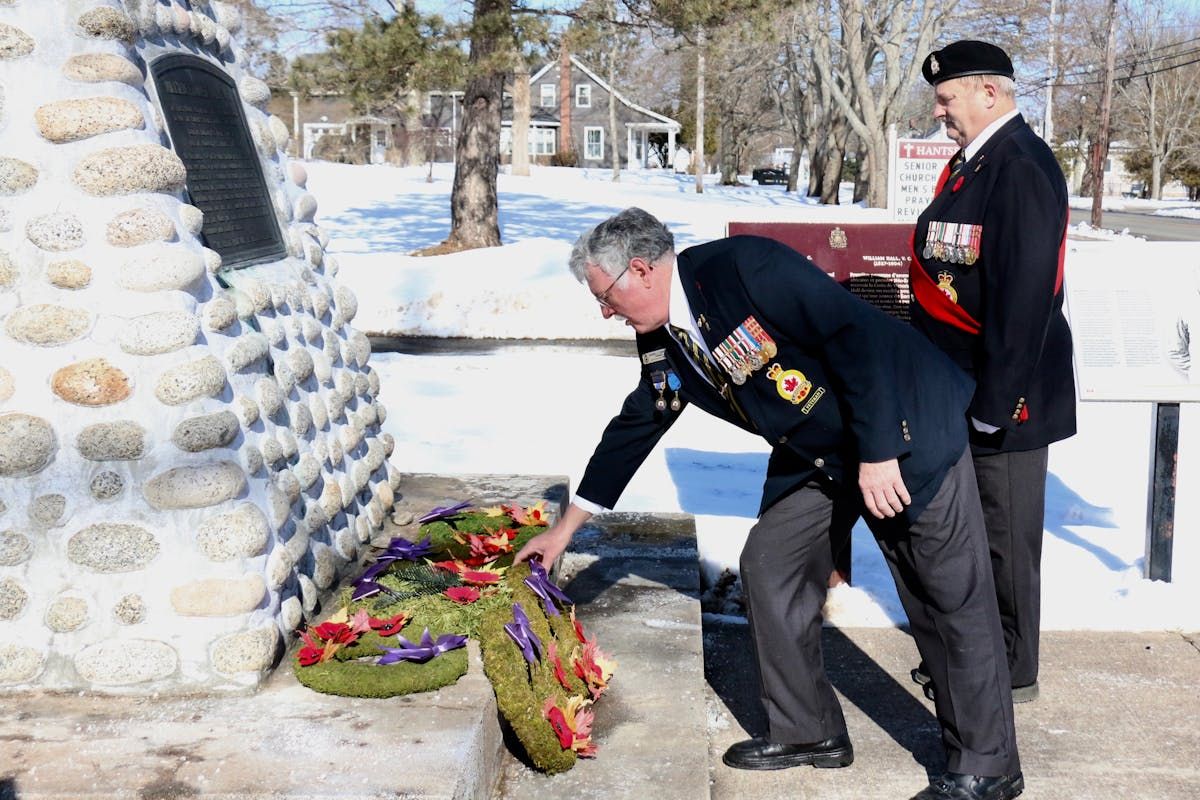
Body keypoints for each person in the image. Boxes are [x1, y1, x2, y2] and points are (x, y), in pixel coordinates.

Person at [516, 208, 1024, 800]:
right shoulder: (662, 335)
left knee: (944, 594)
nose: (606, 312)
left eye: (605, 296)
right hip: (818, 447)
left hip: (901, 425)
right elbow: (642, 418)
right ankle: (807, 729)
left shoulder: (745, 268)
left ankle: (988, 766)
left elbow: (853, 336)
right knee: (772, 563)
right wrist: (566, 529)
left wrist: (881, 450)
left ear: (641, 269)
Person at [910, 40, 1077, 705]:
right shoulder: (975, 164)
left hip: (1006, 395)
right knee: (972, 535)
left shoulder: (1021, 167)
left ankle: (1010, 672)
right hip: (964, 382)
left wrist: (994, 404)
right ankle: (978, 661)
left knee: (1005, 541)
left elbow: (1026, 297)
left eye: (947, 98)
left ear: (989, 92)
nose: (939, 111)